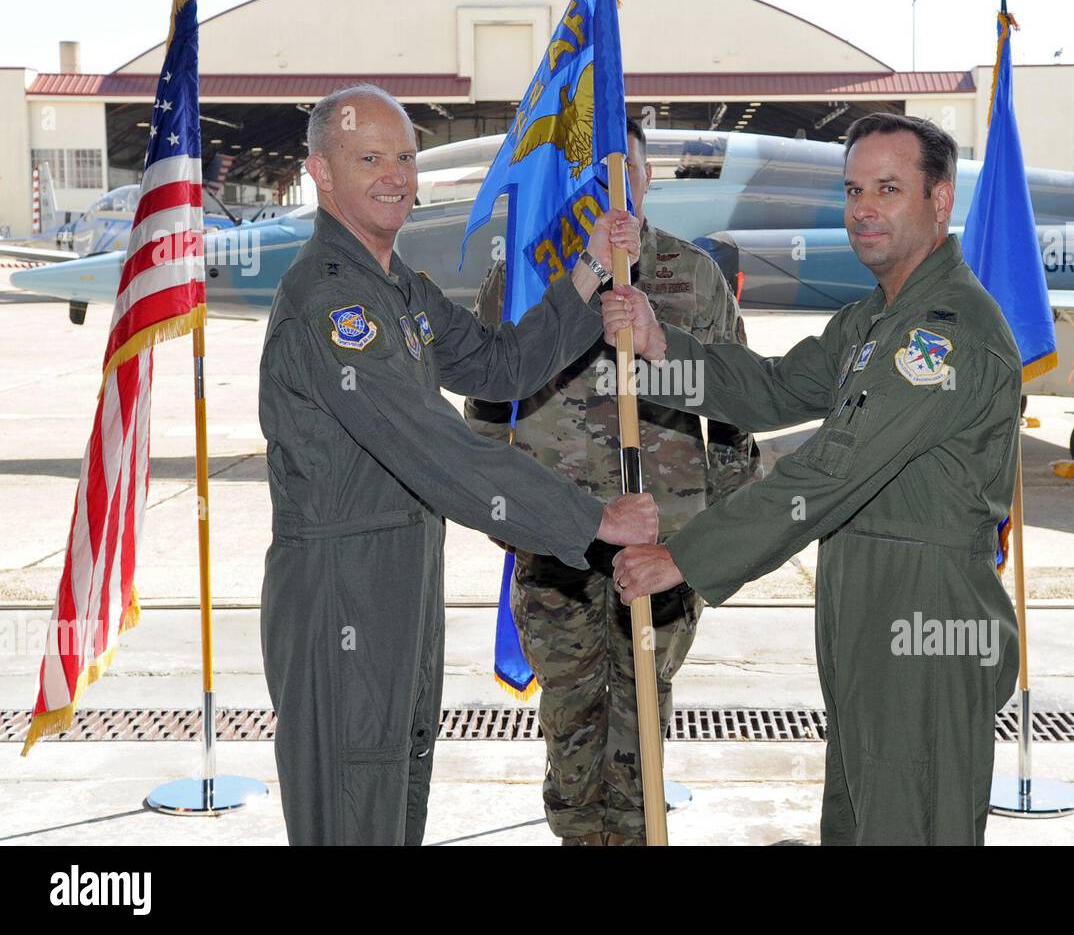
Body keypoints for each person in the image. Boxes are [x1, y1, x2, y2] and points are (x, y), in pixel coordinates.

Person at [603, 112, 1022, 845]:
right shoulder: (871, 321)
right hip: (866, 596)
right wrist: (660, 345)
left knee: (911, 818)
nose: (863, 208)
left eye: (889, 188)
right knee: (861, 816)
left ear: (940, 200)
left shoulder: (944, 332)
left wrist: (685, 558)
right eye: (854, 189)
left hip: (925, 609)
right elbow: (769, 389)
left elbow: (832, 469)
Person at [259, 84, 656, 845]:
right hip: (344, 589)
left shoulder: (397, 287)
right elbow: (437, 446)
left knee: (392, 787)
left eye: (404, 157)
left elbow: (499, 365)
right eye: (368, 157)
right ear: (321, 172)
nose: (394, 175)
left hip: (402, 577)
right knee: (352, 803)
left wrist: (587, 273)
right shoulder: (330, 304)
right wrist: (590, 519)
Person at [465, 118, 762, 846]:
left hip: (660, 554)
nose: (610, 188)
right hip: (559, 550)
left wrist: (719, 544)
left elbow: (735, 414)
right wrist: (506, 516)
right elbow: (481, 412)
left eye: (623, 169)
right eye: (594, 174)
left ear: (649, 174)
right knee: (571, 733)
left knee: (641, 735)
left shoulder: (691, 277)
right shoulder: (527, 278)